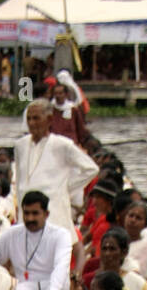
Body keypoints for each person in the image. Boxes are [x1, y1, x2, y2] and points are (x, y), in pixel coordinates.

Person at [13, 100, 98, 244]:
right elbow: (20, 179)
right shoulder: (20, 145)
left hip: (52, 209)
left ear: (49, 119)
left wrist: (64, 188)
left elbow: (91, 169)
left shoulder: (62, 145)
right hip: (25, 212)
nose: (32, 123)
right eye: (29, 119)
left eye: (36, 118)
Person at [0, 189, 72, 290]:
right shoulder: (11, 234)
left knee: (64, 288)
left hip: (52, 283)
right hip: (26, 286)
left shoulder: (61, 234)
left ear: (46, 214)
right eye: (26, 213)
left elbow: (62, 265)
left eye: (35, 213)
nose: (30, 218)